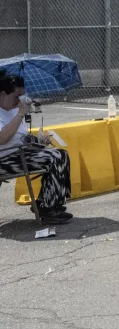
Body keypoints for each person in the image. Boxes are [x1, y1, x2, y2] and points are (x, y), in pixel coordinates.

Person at [0, 72, 72, 224]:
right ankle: (47, 208)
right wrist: (20, 114)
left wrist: (37, 141)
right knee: (54, 158)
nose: (19, 101)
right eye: (16, 97)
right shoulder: (12, 113)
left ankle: (49, 203)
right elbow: (3, 138)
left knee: (61, 154)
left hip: (20, 153)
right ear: (3, 94)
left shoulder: (13, 110)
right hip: (5, 159)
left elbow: (20, 137)